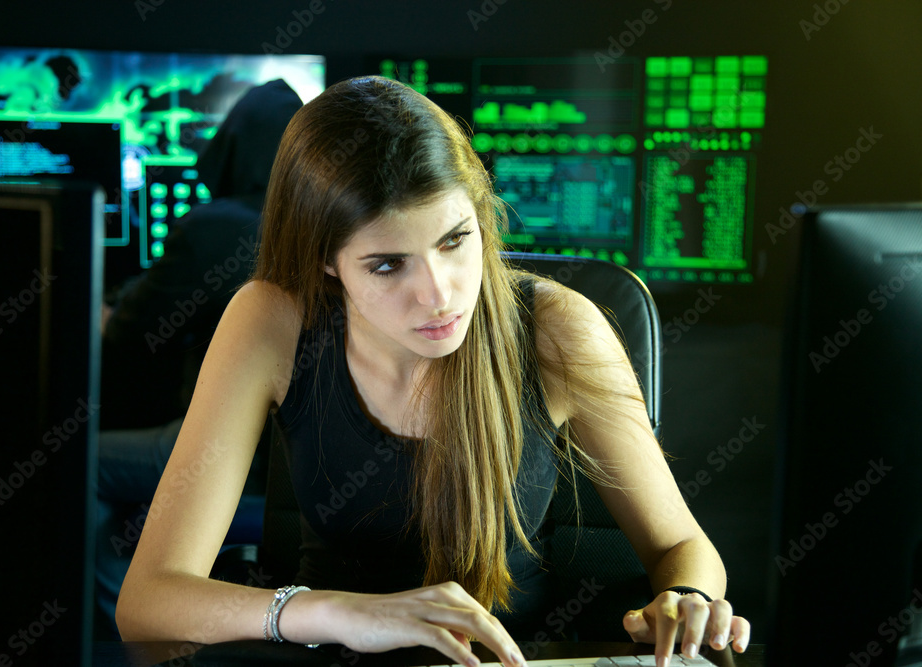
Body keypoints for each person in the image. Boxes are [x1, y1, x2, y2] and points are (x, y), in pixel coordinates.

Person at [116, 76, 751, 667]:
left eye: (454, 240)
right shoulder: (272, 320)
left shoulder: (558, 328)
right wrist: (337, 613)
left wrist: (688, 596)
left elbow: (681, 548)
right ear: (326, 263)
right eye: (388, 265)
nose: (440, 294)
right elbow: (146, 605)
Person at [95, 79, 303, 638]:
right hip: (301, 465)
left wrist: (102, 310)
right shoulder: (322, 226)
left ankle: (129, 634)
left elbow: (128, 336)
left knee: (82, 463)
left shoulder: (216, 225)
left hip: (234, 453)